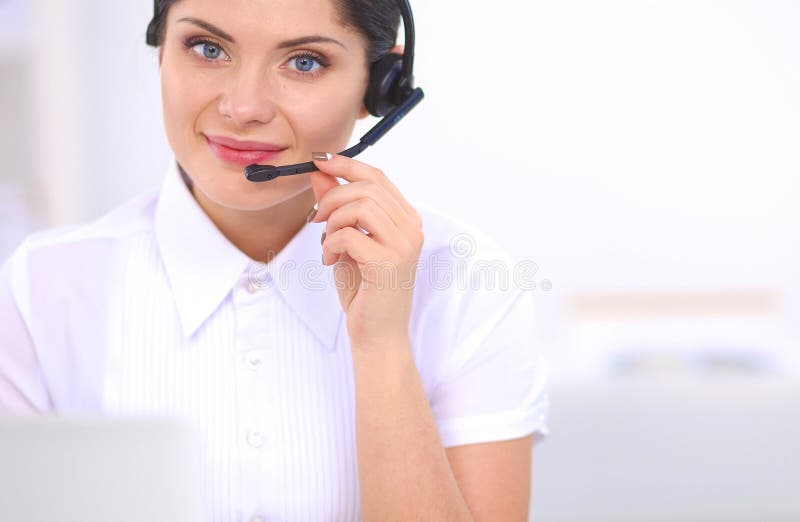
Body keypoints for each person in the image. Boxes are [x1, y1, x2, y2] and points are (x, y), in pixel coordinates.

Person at [0, 0, 549, 520]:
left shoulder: (466, 285)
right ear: (160, 48)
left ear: (380, 86)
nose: (243, 108)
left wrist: (382, 348)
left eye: (304, 62)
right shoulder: (38, 289)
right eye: (208, 48)